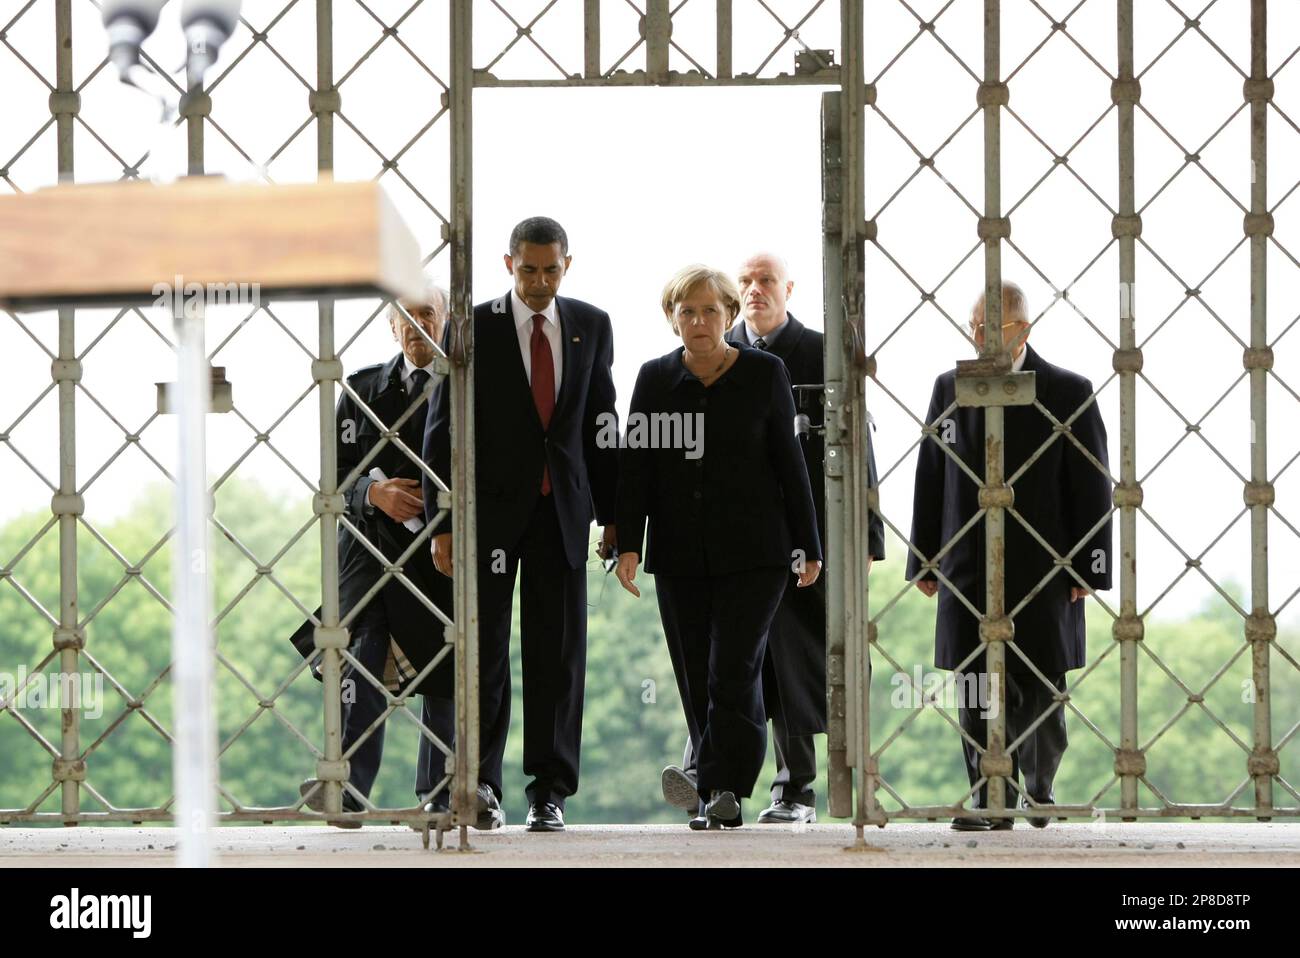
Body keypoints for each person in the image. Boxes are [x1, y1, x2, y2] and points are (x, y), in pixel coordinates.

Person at [658, 252, 886, 825]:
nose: (755, 289)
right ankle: (712, 776)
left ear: (788, 288)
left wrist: (864, 537)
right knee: (725, 659)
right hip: (726, 538)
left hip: (804, 531)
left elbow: (858, 445)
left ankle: (793, 788)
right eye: (747, 282)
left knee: (791, 664)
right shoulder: (708, 352)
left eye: (766, 281)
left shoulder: (820, 352)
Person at [423, 216, 619, 832]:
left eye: (551, 269)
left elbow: (601, 426)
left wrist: (615, 519)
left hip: (562, 514)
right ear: (509, 264)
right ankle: (479, 781)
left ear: (568, 264)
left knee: (558, 656)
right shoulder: (472, 326)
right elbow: (442, 428)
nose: (539, 281)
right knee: (483, 653)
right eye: (529, 269)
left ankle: (550, 791)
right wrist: (443, 522)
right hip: (489, 519)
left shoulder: (591, 326)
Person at [615, 264, 822, 829]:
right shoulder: (654, 378)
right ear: (671, 319)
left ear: (729, 317)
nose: (699, 321)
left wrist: (809, 544)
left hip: (757, 556)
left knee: (734, 668)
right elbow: (635, 469)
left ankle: (723, 788)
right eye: (687, 311)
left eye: (710, 311)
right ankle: (713, 791)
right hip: (679, 555)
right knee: (694, 672)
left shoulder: (765, 373)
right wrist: (626, 544)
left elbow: (790, 462)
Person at [906, 281, 1112, 830]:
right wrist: (923, 558)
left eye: (991, 326)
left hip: (1046, 566)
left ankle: (1039, 790)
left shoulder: (1070, 389)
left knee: (1042, 689)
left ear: (1022, 328)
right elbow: (932, 475)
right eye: (974, 325)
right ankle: (990, 800)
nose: (980, 337)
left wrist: (1090, 565)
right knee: (975, 688)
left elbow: (1092, 484)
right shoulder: (947, 388)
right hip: (968, 562)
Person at [289, 287, 455, 827]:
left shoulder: (465, 387)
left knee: (444, 666)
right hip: (366, 553)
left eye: (426, 313)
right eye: (403, 316)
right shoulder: (359, 390)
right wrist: (372, 494)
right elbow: (332, 478)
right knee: (359, 662)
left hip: (437, 553)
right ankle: (349, 791)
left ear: (446, 318)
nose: (415, 325)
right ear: (390, 326)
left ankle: (442, 793)